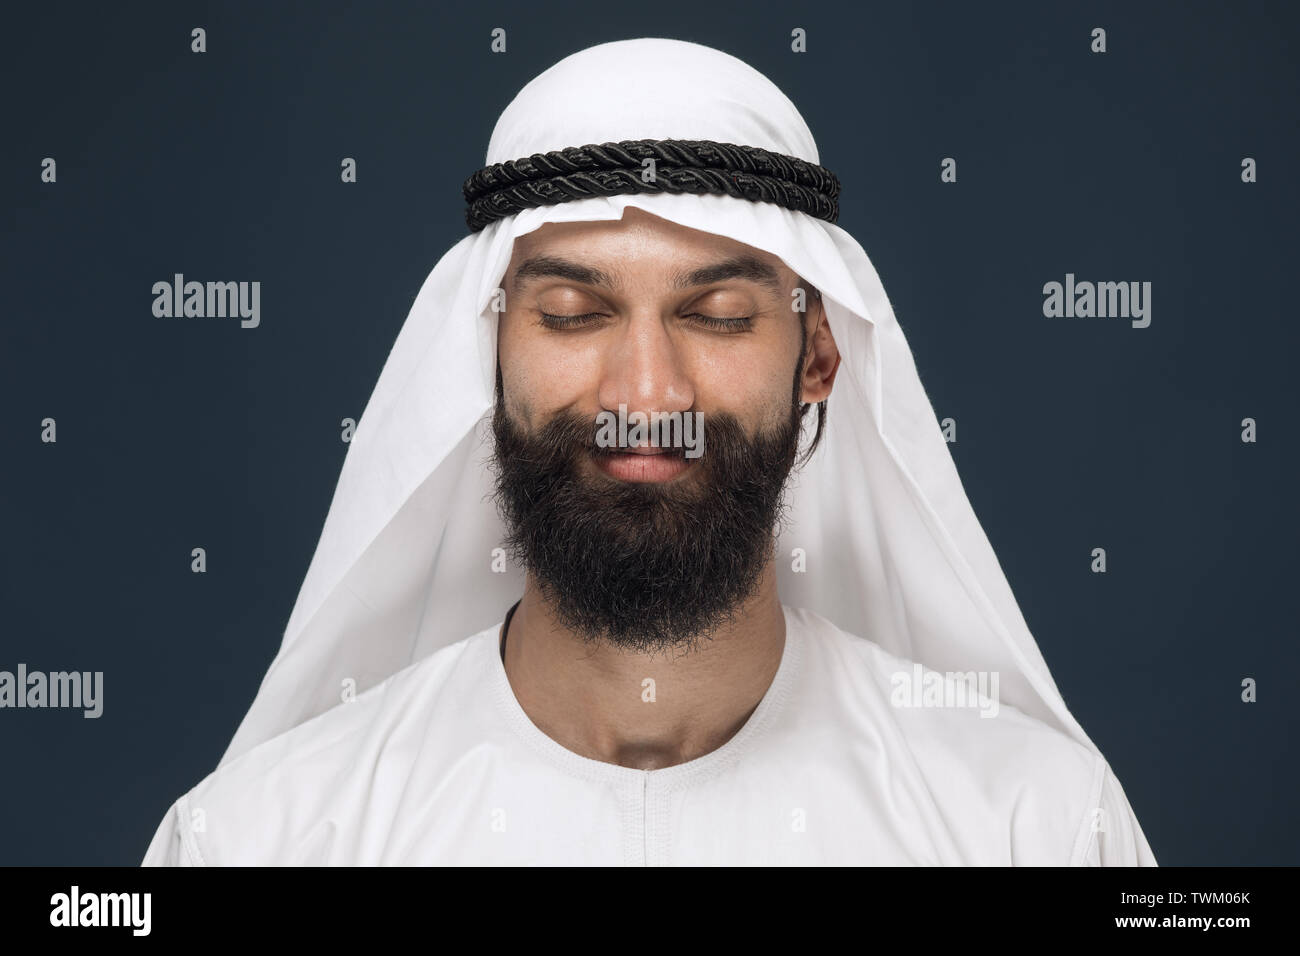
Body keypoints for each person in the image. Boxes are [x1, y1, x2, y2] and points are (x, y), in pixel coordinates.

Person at [142, 37, 1156, 866]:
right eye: (573, 313)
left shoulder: (1034, 826)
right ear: (486, 356)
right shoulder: (264, 838)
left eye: (715, 315)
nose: (645, 393)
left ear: (817, 357)